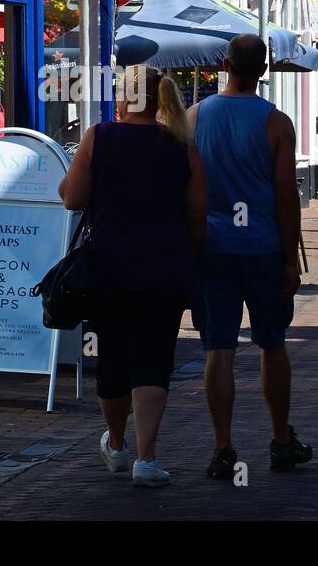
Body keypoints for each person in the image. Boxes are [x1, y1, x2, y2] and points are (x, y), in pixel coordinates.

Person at [58, 64, 207, 488]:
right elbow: (198, 214)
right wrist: (189, 257)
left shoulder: (100, 137)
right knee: (154, 360)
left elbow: (72, 198)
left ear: (124, 98)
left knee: (112, 358)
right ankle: (147, 458)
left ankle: (118, 445)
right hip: (163, 268)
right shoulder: (181, 147)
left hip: (109, 267)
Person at [188, 35, 313, 479]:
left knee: (218, 349)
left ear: (224, 65)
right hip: (262, 247)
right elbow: (285, 196)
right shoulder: (276, 123)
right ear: (264, 70)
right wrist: (289, 256)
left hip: (213, 250)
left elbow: (188, 192)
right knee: (273, 344)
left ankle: (223, 446)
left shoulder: (194, 117)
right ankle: (280, 438)